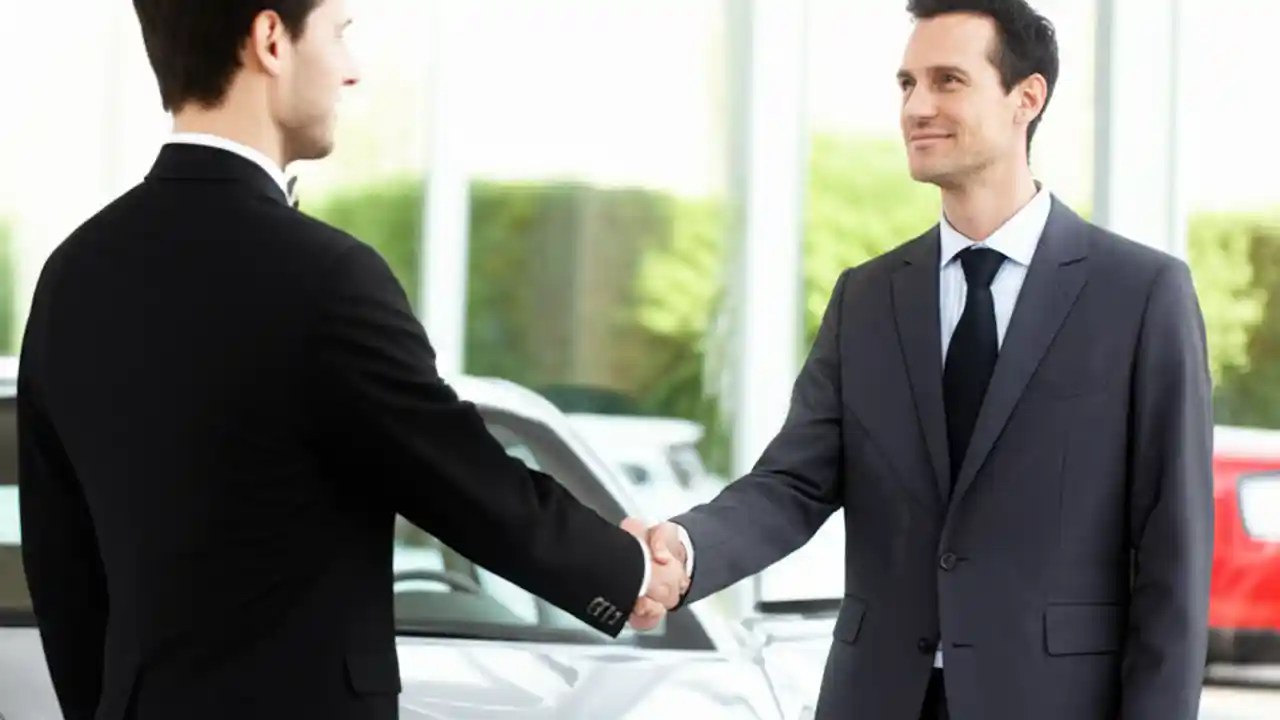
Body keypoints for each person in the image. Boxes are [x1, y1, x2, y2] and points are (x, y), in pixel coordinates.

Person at [17, 2, 683, 718]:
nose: (353, 70)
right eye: (340, 33)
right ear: (271, 40)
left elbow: (62, 567)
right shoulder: (325, 277)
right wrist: (630, 568)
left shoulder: (72, 278)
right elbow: (461, 477)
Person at [634, 1, 1214, 718]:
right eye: (907, 84)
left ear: (1025, 99)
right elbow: (792, 485)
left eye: (947, 81)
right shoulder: (867, 298)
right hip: (878, 697)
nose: (917, 107)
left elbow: (1173, 554)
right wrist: (686, 548)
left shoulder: (1140, 295)